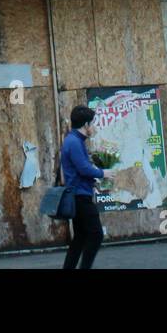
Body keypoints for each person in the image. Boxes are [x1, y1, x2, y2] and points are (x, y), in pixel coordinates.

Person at [60, 104, 109, 269]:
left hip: (78, 194)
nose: (93, 127)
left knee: (80, 237)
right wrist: (103, 173)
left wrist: (94, 181)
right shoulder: (74, 142)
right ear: (86, 125)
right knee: (96, 234)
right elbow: (83, 168)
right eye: (92, 123)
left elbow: (78, 170)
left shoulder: (73, 140)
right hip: (80, 196)